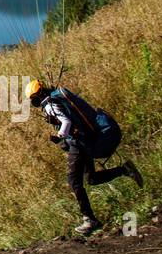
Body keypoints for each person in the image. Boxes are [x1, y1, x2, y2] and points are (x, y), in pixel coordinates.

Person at [26, 79, 143, 235]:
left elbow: (66, 122)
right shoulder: (57, 95)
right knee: (91, 179)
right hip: (84, 140)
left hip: (77, 144)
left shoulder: (50, 104)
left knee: (73, 181)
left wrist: (60, 136)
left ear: (38, 95)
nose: (35, 103)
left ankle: (89, 219)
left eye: (34, 100)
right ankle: (125, 170)